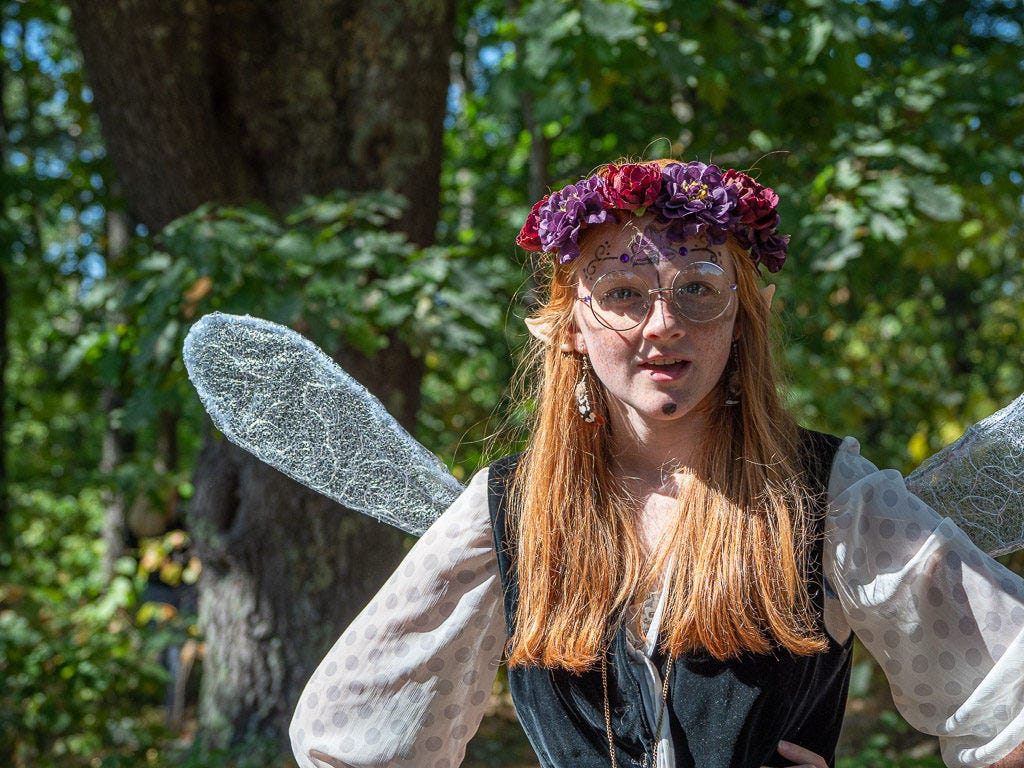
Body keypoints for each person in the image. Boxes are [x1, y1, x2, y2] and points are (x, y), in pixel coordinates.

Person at [288, 159, 1024, 768]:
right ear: (572, 324)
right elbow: (346, 737)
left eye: (699, 289)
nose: (663, 323)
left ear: (744, 318)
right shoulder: (507, 509)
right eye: (623, 294)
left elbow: (1009, 698)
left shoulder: (827, 495)